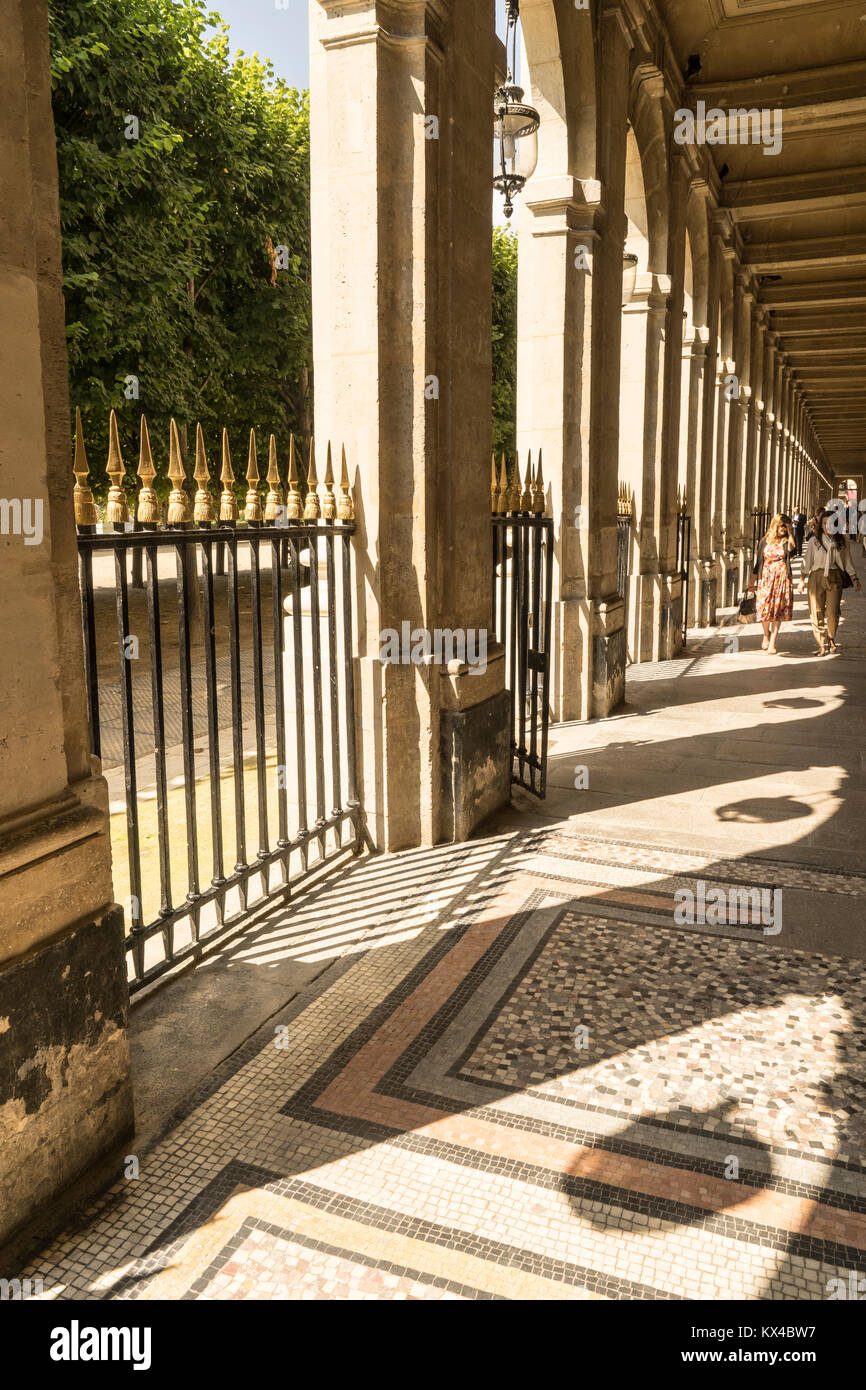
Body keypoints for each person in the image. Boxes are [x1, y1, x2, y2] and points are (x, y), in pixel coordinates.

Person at [799, 509, 861, 655]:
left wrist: (854, 578)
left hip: (835, 577)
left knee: (833, 612)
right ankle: (821, 643)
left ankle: (831, 637)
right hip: (816, 576)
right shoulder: (814, 541)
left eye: (831, 523)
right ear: (821, 525)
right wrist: (802, 579)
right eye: (825, 523)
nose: (828, 526)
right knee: (816, 612)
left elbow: (847, 561)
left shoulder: (843, 540)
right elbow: (808, 561)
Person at [748, 513, 794, 655]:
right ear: (775, 525)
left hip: (781, 579)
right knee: (764, 608)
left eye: (786, 527)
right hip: (766, 579)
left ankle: (773, 641)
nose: (784, 529)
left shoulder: (786, 541)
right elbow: (758, 563)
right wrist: (752, 581)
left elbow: (793, 549)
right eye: (782, 526)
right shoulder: (764, 541)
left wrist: (791, 532)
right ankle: (766, 634)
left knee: (777, 610)